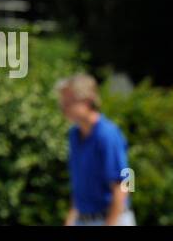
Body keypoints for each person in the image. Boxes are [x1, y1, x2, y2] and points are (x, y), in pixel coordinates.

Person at [57, 74, 136, 226]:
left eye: (69, 101)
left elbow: (124, 184)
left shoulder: (107, 134)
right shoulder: (74, 135)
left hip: (112, 219)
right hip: (83, 220)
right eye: (62, 102)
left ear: (87, 101)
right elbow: (80, 186)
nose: (63, 107)